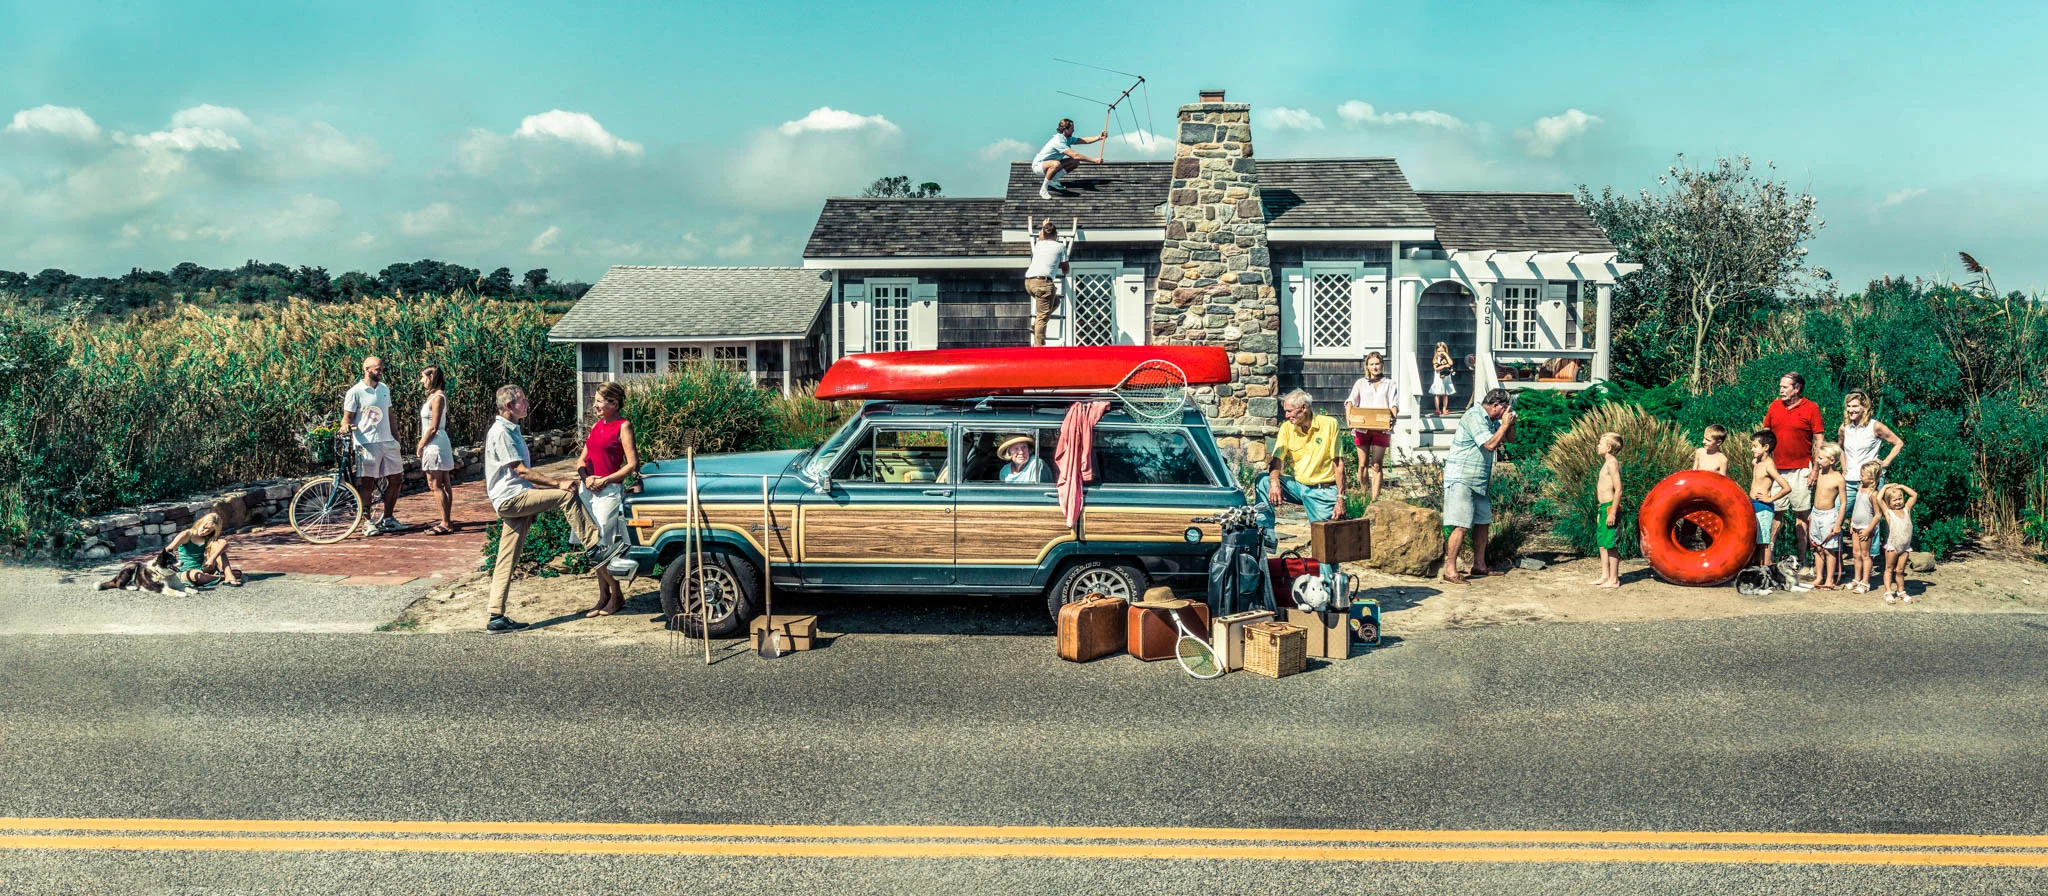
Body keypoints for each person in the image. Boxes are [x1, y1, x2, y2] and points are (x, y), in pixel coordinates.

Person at [483, 384, 616, 632]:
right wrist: (558, 483)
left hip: (517, 496)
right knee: (564, 496)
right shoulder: (502, 432)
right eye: (522, 400)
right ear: (510, 406)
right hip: (511, 499)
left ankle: (495, 616)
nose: (527, 403)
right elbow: (521, 470)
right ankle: (595, 546)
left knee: (506, 559)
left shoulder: (511, 429)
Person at [576, 381, 640, 618]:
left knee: (602, 545)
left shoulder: (623, 426)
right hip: (588, 491)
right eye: (595, 400)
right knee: (590, 545)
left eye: (600, 400)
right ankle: (603, 596)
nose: (595, 404)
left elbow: (632, 464)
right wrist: (586, 477)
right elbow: (581, 460)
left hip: (608, 492)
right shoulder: (596, 427)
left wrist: (604, 480)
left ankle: (616, 594)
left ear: (614, 403)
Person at [1441, 389, 1516, 585]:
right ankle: (1450, 570)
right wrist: (1505, 424)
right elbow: (1490, 445)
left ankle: (1479, 565)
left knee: (1483, 521)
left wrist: (1511, 424)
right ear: (1495, 405)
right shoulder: (1474, 416)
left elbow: (1510, 439)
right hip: (1461, 478)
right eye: (1505, 408)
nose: (1506, 411)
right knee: (1462, 524)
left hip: (1479, 480)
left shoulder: (1492, 421)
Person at [1758, 372, 1825, 574]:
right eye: (1780, 386)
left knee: (1801, 515)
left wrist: (1815, 469)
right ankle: (1768, 562)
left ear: (1797, 388)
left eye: (1785, 387)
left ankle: (1803, 563)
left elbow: (1819, 440)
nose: (1781, 390)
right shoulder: (1775, 406)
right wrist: (1761, 462)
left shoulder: (1811, 408)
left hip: (1801, 469)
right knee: (1773, 514)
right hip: (1776, 469)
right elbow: (1765, 435)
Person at [1839, 389, 1904, 572]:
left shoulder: (1875, 426)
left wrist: (1885, 463)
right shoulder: (1845, 428)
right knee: (1838, 513)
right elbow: (1840, 448)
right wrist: (1844, 468)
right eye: (1849, 406)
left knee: (1871, 519)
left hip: (1872, 481)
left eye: (1855, 407)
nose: (1851, 410)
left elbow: (1898, 443)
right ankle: (1836, 557)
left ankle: (1873, 558)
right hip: (1850, 479)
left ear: (1864, 407)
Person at [343, 355, 406, 534]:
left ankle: (388, 518)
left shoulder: (384, 389)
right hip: (367, 443)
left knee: (396, 478)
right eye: (377, 369)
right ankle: (367, 522)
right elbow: (346, 419)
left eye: (382, 369)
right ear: (367, 369)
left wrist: (396, 438)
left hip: (388, 442)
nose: (381, 372)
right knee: (367, 483)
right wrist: (346, 427)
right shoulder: (355, 392)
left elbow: (390, 414)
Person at [1343, 351, 1399, 501]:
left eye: (1377, 364)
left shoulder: (1390, 383)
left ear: (1382, 365)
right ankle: (1363, 495)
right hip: (1362, 428)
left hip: (1381, 429)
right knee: (1362, 465)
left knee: (1376, 465)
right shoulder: (1361, 383)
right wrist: (1349, 419)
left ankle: (1375, 500)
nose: (1375, 367)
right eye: (1372, 364)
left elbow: (1393, 404)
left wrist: (1392, 419)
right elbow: (1350, 402)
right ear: (1367, 366)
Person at [415, 366, 457, 536]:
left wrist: (421, 444)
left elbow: (433, 427)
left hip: (435, 443)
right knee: (443, 482)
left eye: (423, 377)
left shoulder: (438, 397)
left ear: (431, 377)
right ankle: (446, 520)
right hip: (437, 442)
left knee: (435, 484)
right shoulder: (433, 396)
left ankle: (446, 523)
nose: (421, 381)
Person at [1747, 431, 1792, 572]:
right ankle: (1756, 567)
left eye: (1755, 446)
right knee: (1755, 538)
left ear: (1766, 447)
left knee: (1764, 541)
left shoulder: (1768, 465)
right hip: (1753, 504)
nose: (1752, 449)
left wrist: (1770, 498)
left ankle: (1766, 570)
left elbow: (1786, 487)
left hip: (1764, 507)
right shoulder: (1757, 462)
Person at [163, 512, 244, 589]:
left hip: (205, 567)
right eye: (204, 528)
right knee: (196, 576)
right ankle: (223, 577)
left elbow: (224, 543)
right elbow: (168, 550)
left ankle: (229, 575)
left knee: (218, 546)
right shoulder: (186, 535)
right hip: (187, 570)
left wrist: (212, 559)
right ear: (200, 522)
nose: (204, 532)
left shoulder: (208, 538)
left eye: (208, 531)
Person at [1032, 118, 1107, 199]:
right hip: (1038, 166)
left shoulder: (1067, 138)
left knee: (1075, 161)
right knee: (1056, 164)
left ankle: (1053, 180)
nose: (1074, 130)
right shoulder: (1058, 141)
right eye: (1072, 128)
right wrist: (1094, 160)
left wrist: (1099, 137)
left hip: (1050, 164)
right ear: (1065, 129)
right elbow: (1075, 155)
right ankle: (1043, 189)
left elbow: (1083, 140)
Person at [1025, 220, 1071, 347]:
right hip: (1043, 283)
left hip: (1029, 282)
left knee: (1055, 302)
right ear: (1056, 235)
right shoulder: (1061, 246)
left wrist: (1043, 224)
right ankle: (1039, 348)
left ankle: (1036, 325)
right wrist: (1064, 268)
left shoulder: (1039, 244)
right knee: (1042, 317)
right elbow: (1066, 268)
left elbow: (1041, 235)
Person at [1808, 442, 1846, 590]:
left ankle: (1830, 579)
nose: (1818, 461)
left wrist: (1838, 524)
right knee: (1817, 547)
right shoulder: (1820, 473)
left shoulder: (1838, 479)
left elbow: (1843, 503)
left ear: (1832, 460)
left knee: (1829, 549)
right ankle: (1819, 576)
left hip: (1829, 516)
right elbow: (1817, 495)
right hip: (1816, 513)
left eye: (1821, 459)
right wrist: (1812, 513)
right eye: (1818, 458)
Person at [1591, 432, 1625, 589]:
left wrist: (1612, 512)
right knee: (1602, 543)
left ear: (1609, 447)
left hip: (1610, 507)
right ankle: (1605, 575)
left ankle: (1614, 579)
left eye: (1601, 443)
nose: (1598, 445)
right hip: (1602, 508)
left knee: (1610, 544)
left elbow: (1618, 489)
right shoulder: (1606, 463)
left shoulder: (1612, 463)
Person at [1878, 483, 1920, 604]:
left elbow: (1914, 495)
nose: (1898, 502)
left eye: (1900, 498)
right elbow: (1879, 499)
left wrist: (1901, 487)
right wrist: (1885, 487)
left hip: (1905, 547)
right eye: (1894, 500)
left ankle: (1901, 591)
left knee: (1900, 570)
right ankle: (1888, 592)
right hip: (1893, 547)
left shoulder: (1907, 510)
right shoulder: (1889, 513)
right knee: (1889, 569)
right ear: (1889, 502)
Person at [1848, 464, 1882, 594]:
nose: (1860, 477)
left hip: (1865, 527)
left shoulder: (1873, 494)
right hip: (1856, 526)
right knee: (1856, 554)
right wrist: (1851, 522)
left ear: (1872, 478)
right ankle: (1856, 579)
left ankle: (1866, 581)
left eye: (1863, 475)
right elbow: (1856, 507)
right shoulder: (1860, 488)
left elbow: (1878, 514)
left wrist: (1869, 529)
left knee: (1865, 555)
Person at [1430, 342, 1456, 416]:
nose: (1440, 353)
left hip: (1446, 378)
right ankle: (1437, 409)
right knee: (1437, 394)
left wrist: (1446, 355)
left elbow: (1450, 363)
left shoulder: (1446, 358)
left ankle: (1444, 408)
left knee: (1445, 394)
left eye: (1442, 351)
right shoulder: (1436, 358)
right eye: (1438, 351)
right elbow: (1436, 368)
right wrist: (1444, 366)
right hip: (1438, 378)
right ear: (1436, 351)